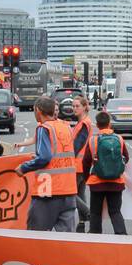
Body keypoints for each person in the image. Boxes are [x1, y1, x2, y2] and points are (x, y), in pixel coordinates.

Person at [17, 95, 78, 231]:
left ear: (38, 110)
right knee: (67, 241)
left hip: (47, 191)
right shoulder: (66, 127)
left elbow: (45, 157)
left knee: (37, 238)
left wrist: (24, 168)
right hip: (68, 190)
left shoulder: (43, 128)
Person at [83, 109, 128, 234]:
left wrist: (88, 178)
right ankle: (122, 237)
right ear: (110, 123)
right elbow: (126, 158)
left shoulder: (93, 140)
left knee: (95, 212)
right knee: (115, 212)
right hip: (116, 182)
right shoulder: (119, 139)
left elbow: (86, 162)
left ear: (97, 125)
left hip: (97, 183)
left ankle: (95, 237)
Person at [69, 94, 93, 233]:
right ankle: (82, 223)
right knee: (80, 193)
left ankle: (89, 213)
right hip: (83, 164)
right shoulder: (84, 122)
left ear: (85, 107)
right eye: (73, 106)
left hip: (77, 164)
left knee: (70, 193)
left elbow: (77, 145)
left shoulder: (84, 124)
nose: (74, 108)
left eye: (77, 106)